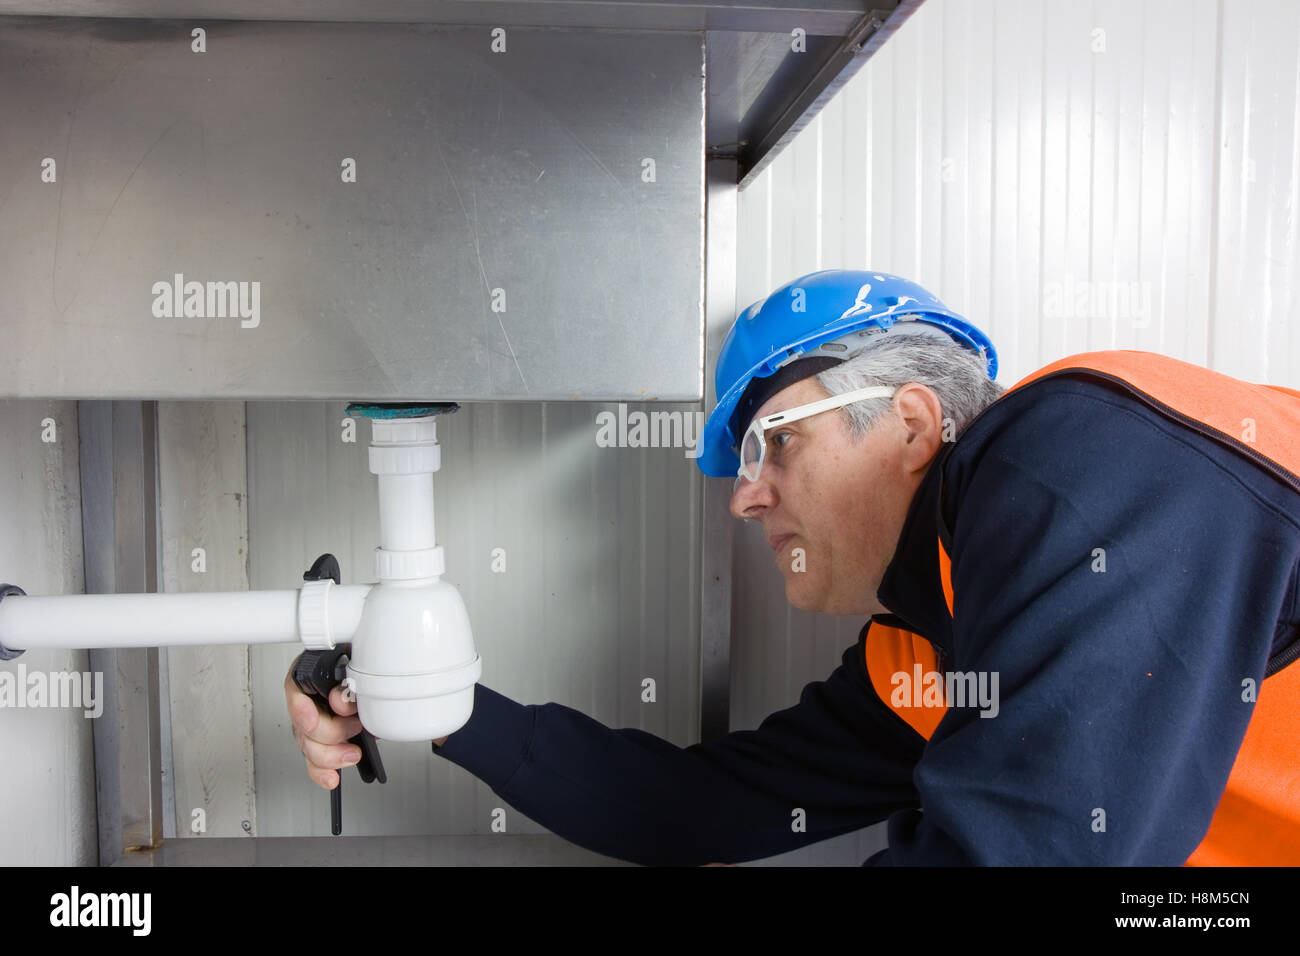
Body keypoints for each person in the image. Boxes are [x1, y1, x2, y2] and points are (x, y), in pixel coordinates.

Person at [287, 269, 1300, 865]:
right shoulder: (928, 647)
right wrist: (429, 698)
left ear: (908, 421)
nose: (745, 494)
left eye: (774, 441)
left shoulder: (1080, 450)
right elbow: (694, 806)